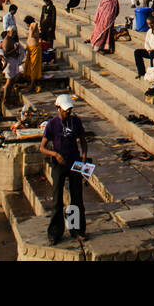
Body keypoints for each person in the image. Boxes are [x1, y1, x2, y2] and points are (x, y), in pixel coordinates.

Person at [41, 94, 88, 246]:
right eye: (66, 110)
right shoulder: (52, 124)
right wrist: (55, 154)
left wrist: (84, 157)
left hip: (74, 163)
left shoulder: (76, 122)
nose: (68, 112)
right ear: (58, 109)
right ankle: (55, 232)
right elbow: (42, 147)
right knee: (57, 199)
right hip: (59, 164)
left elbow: (83, 141)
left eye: (70, 110)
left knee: (76, 198)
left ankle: (76, 230)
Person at [23, 16, 44, 92]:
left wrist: (32, 26)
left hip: (34, 48)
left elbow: (32, 32)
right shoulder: (31, 26)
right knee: (29, 66)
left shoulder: (33, 24)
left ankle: (32, 85)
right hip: (30, 48)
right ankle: (31, 83)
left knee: (34, 66)